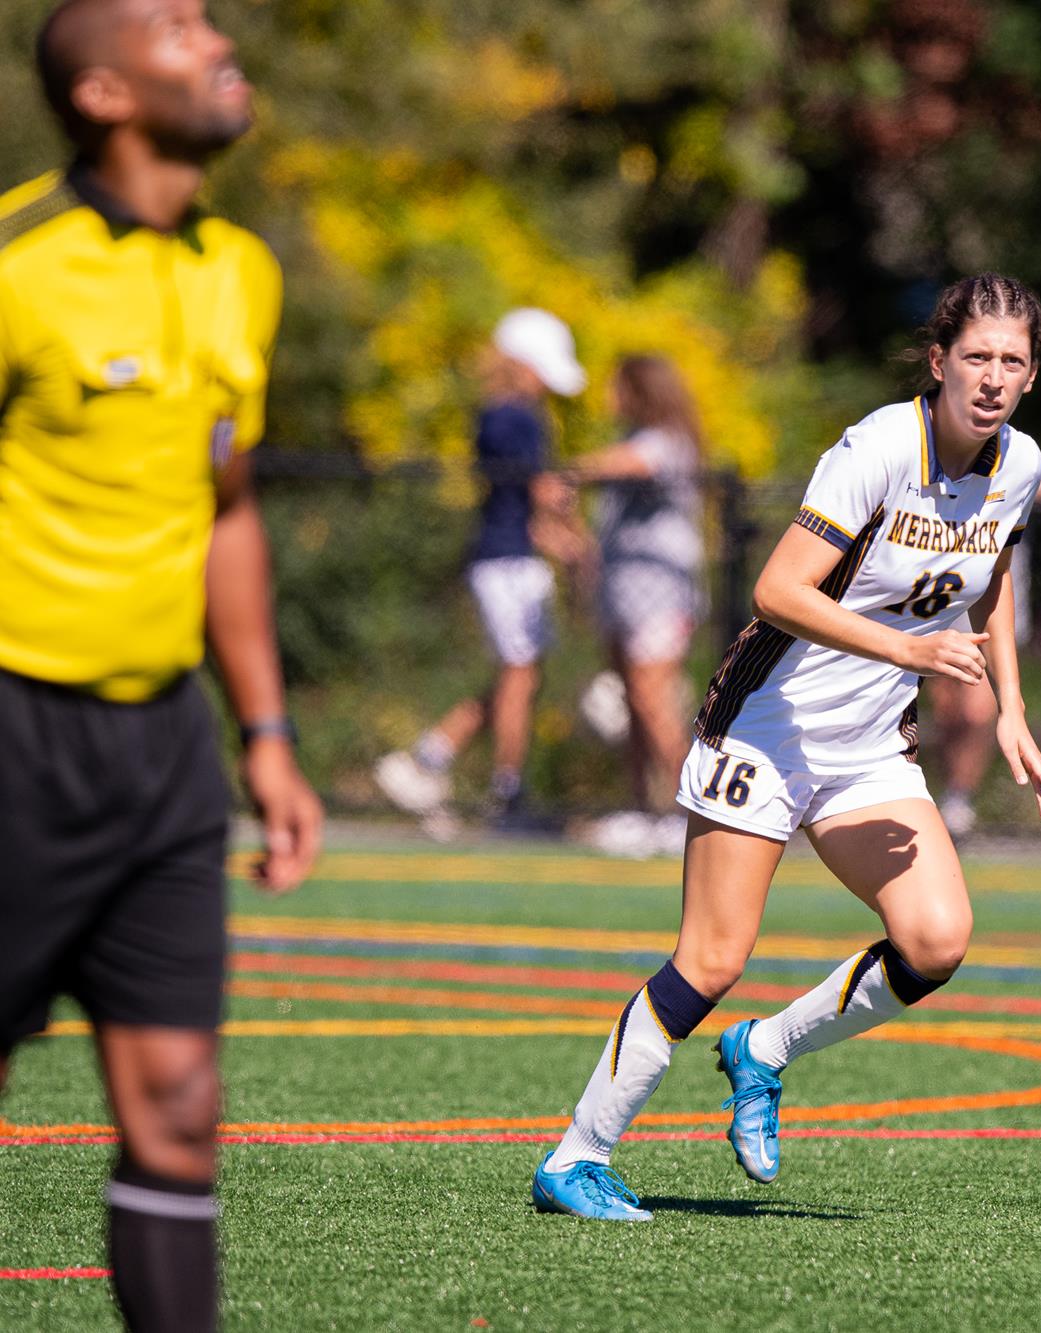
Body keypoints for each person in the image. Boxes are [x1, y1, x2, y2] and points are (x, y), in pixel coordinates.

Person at [529, 273, 1041, 1221]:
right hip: (769, 728)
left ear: (1029, 376)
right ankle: (576, 1156)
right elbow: (777, 590)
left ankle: (764, 1051)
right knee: (712, 959)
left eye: (1012, 362)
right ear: (938, 362)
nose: (992, 377)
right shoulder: (879, 447)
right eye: (976, 356)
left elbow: (993, 573)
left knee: (936, 939)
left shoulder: (1017, 464)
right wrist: (905, 647)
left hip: (865, 748)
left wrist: (1011, 705)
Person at [0, 3, 324, 1328]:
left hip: (166, 753)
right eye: (178, 26)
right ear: (104, 94)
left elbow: (226, 509)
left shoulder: (240, 268)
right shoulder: (18, 260)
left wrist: (265, 729)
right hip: (14, 736)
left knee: (180, 1114)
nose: (216, 35)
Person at [374, 308, 586, 832]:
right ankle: (506, 793)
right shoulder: (515, 418)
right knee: (519, 673)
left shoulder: (500, 415)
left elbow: (522, 493)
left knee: (519, 675)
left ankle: (429, 758)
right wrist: (568, 518)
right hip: (507, 560)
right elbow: (536, 490)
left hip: (510, 555)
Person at [567, 355, 708, 858]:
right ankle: (640, 807)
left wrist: (567, 471)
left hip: (661, 595)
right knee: (632, 701)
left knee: (654, 699)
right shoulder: (632, 437)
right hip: (622, 593)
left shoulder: (666, 440)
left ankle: (686, 810)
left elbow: (632, 464)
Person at [929, 459, 1041, 837]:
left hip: (989, 606)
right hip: (935, 600)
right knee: (947, 710)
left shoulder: (1018, 462)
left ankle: (958, 800)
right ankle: (938, 791)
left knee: (978, 709)